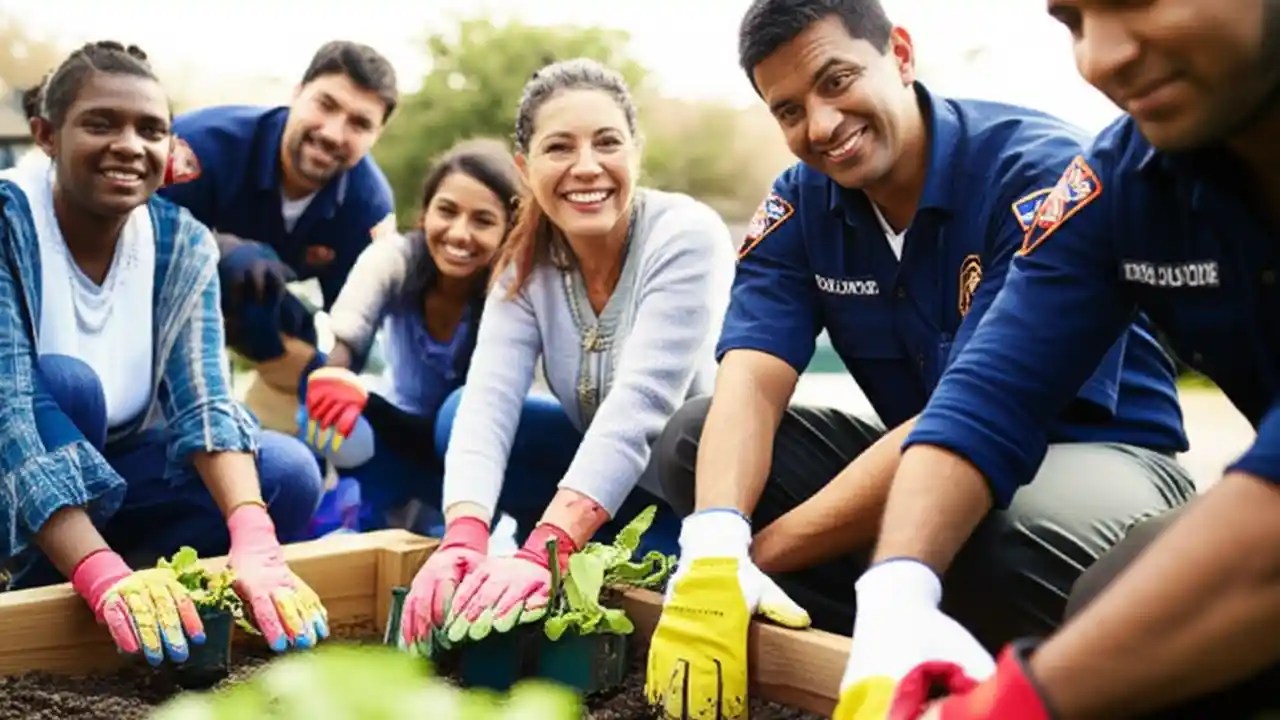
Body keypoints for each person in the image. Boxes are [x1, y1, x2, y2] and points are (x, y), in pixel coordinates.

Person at [644, 0, 1200, 717]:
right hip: (921, 460)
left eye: (837, 80)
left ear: (900, 54)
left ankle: (939, 631)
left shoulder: (1037, 171)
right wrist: (715, 541)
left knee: (1007, 531)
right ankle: (861, 637)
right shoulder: (801, 203)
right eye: (788, 111)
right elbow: (750, 382)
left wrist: (756, 558)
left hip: (1094, 461)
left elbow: (980, 408)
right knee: (695, 440)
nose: (820, 125)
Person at [869, 0, 1280, 718]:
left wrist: (1018, 701)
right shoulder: (1129, 176)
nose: (1099, 57)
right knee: (1123, 599)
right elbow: (992, 388)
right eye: (1073, 22)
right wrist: (895, 591)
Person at [0, 41, 328, 667]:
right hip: (5, 476)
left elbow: (205, 399)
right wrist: (98, 570)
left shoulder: (181, 244)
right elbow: (10, 407)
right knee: (67, 386)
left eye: (151, 129)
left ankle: (125, 593)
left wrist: (255, 535)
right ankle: (58, 580)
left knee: (284, 473)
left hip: (102, 477)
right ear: (46, 135)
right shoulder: (10, 219)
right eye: (101, 123)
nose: (129, 144)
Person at [394, 58, 736, 650]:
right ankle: (540, 551)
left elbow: (640, 407)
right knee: (457, 414)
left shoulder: (685, 235)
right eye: (560, 148)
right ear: (526, 169)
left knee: (637, 580)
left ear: (635, 151)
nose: (586, 167)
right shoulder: (524, 268)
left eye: (607, 143)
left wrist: (544, 548)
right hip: (597, 486)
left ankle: (552, 550)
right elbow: (487, 404)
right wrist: (463, 539)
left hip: (689, 500)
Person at [157, 40, 399, 434]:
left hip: (262, 315)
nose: (334, 133)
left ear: (377, 134)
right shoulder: (197, 145)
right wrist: (216, 249)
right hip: (162, 303)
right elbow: (127, 241)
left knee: (331, 384)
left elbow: (357, 324)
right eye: (326, 105)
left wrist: (328, 383)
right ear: (296, 93)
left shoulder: (369, 206)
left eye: (359, 123)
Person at [295, 138, 521, 533]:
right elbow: (347, 333)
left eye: (483, 221)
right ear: (425, 213)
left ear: (508, 232)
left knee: (459, 412)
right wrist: (334, 380)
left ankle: (454, 523)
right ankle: (362, 510)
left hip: (469, 445)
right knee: (319, 412)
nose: (459, 234)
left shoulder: (515, 288)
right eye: (446, 211)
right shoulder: (395, 258)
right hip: (399, 431)